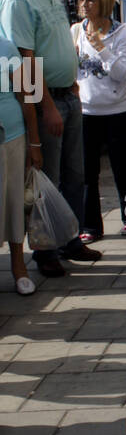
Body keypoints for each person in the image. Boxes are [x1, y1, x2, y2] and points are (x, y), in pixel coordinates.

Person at [0, 0, 99, 275]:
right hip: (48, 104)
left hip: (66, 95)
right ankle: (45, 250)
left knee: (75, 174)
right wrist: (47, 106)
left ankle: (69, 238)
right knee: (46, 180)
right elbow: (24, 62)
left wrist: (68, 81)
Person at [73, 0, 126, 239]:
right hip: (86, 111)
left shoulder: (121, 32)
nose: (84, 5)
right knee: (88, 172)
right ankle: (90, 226)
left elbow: (124, 73)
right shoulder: (76, 31)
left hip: (117, 112)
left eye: (90, 0)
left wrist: (102, 48)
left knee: (122, 167)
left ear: (102, 3)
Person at [0, 32, 38, 294]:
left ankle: (18, 267)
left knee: (14, 201)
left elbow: (27, 95)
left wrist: (34, 142)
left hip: (10, 135)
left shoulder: (6, 47)